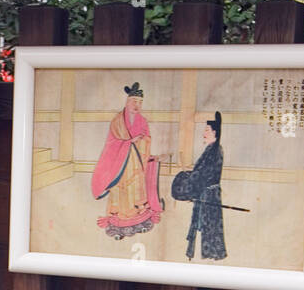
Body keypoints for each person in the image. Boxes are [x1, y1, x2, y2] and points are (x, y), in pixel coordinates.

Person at [91, 82, 162, 240]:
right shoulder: (117, 121)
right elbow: (113, 141)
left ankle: (137, 222)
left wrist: (141, 141)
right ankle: (118, 224)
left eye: (140, 102)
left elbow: (147, 139)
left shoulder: (142, 121)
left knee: (136, 191)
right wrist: (129, 141)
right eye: (134, 101)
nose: (137, 105)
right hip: (120, 163)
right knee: (120, 190)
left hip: (136, 162)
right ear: (127, 102)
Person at [172, 112, 228, 262]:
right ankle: (204, 257)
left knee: (209, 228)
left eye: (207, 130)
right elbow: (200, 173)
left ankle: (209, 258)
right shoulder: (211, 149)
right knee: (205, 227)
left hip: (209, 196)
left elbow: (203, 175)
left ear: (215, 132)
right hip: (206, 193)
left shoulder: (215, 151)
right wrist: (190, 176)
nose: (204, 133)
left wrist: (187, 180)